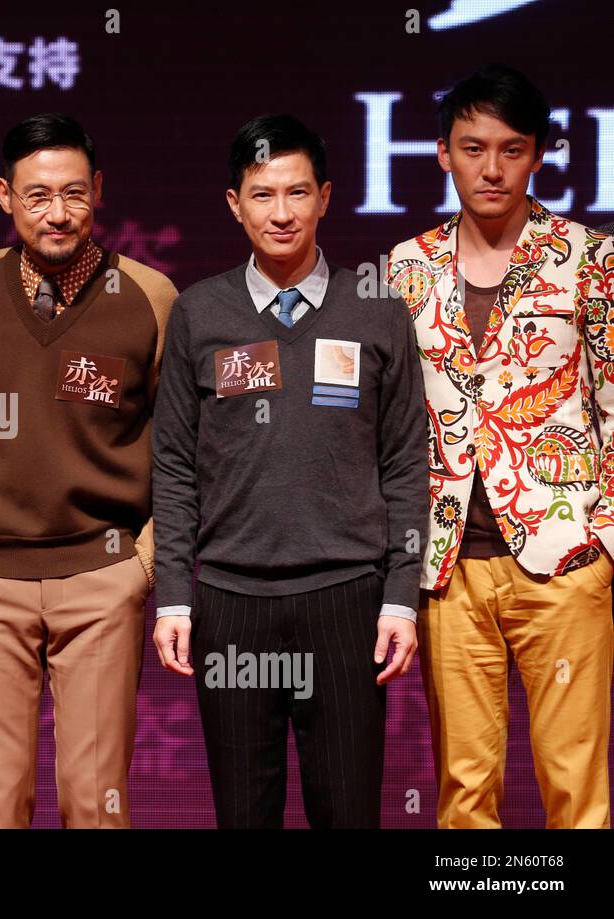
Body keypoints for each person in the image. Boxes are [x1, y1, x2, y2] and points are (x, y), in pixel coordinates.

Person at [153, 114, 427, 828]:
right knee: (245, 813)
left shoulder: (376, 309)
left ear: (327, 197)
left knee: (348, 811)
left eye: (298, 192)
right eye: (263, 194)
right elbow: (175, 466)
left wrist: (400, 597)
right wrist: (175, 596)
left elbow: (404, 463)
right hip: (230, 604)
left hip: (347, 600)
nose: (282, 213)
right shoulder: (198, 313)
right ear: (234, 203)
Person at [386, 64, 614, 829]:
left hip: (565, 558)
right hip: (448, 567)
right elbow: (393, 422)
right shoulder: (404, 267)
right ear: (443, 152)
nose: (491, 168)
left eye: (511, 149)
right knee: (464, 789)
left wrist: (605, 539)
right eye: (472, 147)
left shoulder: (591, 257)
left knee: (575, 785)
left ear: (540, 153)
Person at [0, 113, 175, 828]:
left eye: (74, 193)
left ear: (98, 191)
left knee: (95, 804)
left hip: (101, 578)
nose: (58, 212)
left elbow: (185, 446)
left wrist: (144, 562)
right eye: (37, 196)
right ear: (4, 195)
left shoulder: (152, 297)